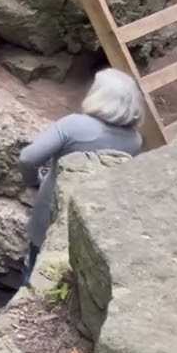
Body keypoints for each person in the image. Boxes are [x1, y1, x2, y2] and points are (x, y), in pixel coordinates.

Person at [18, 68, 144, 283]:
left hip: (52, 211)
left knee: (36, 269)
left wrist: (32, 181)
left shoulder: (73, 125)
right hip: (93, 218)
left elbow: (28, 158)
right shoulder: (135, 141)